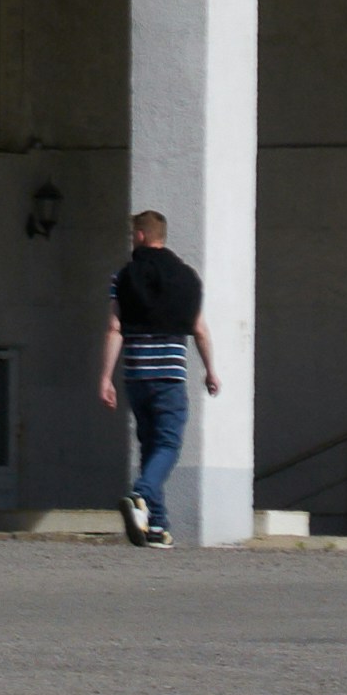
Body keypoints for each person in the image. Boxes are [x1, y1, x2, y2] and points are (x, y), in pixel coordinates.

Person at [98, 208, 219, 546]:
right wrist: (210, 370)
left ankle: (157, 526)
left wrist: (105, 378)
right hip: (169, 374)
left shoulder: (122, 277)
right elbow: (199, 329)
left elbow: (114, 328)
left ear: (140, 236)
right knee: (167, 444)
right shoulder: (187, 278)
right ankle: (142, 494)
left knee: (151, 446)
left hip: (136, 376)